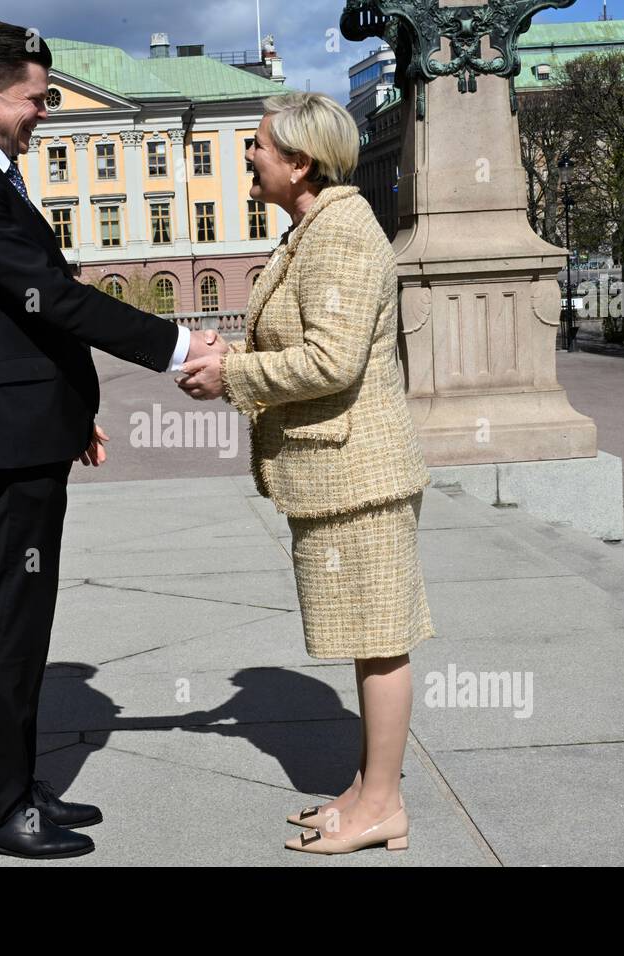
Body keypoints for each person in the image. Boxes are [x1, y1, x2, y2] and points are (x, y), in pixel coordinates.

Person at [0, 16, 225, 860]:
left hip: (26, 428)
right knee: (12, 627)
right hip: (4, 439)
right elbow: (50, 297)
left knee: (26, 620)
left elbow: (28, 315)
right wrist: (178, 346)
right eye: (32, 100)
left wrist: (69, 409)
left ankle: (17, 786)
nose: (42, 113)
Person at [178, 92, 434, 855]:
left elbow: (332, 358)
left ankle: (383, 803)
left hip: (362, 473)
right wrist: (231, 359)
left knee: (381, 638)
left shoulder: (343, 235)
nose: (247, 157)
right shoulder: (311, 230)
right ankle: (366, 790)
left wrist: (234, 376)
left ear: (300, 161)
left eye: (257, 145)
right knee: (366, 632)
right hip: (339, 473)